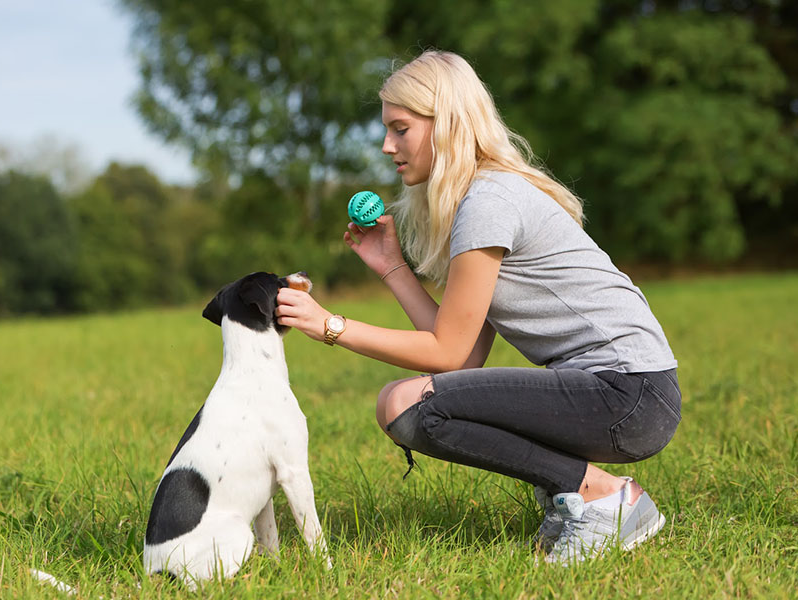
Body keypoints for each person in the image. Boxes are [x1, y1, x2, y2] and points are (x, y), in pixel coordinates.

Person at [275, 50, 681, 565]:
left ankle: (602, 497)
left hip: (628, 392)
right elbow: (463, 358)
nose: (386, 146)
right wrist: (392, 267)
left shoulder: (488, 202)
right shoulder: (479, 198)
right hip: (631, 392)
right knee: (414, 400)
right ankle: (580, 493)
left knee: (402, 403)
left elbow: (447, 354)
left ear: (445, 123)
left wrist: (328, 324)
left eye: (400, 129)